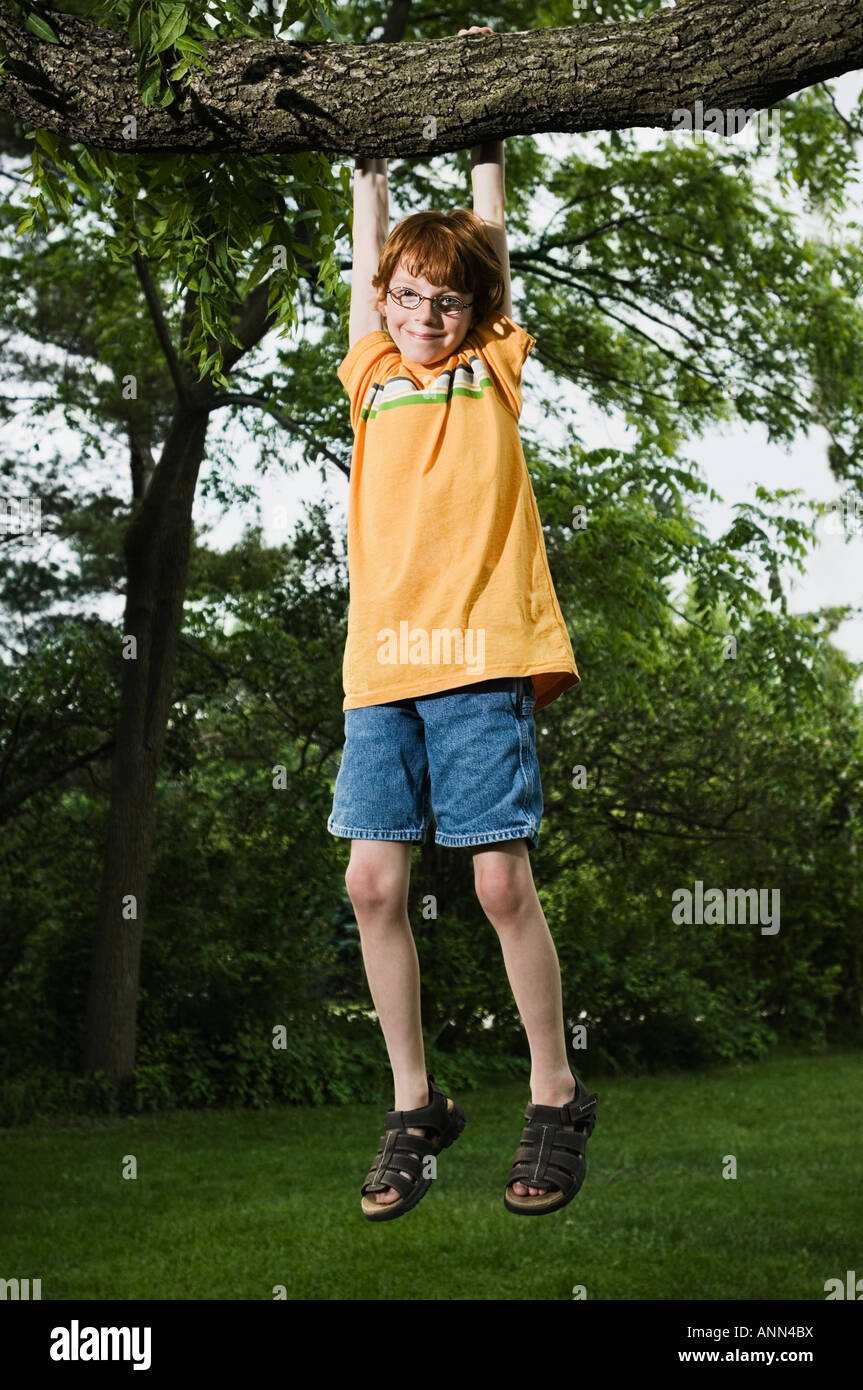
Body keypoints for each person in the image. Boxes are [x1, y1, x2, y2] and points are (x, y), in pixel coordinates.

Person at [328, 25, 597, 1221]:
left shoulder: (489, 364)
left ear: (473, 306)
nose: (420, 311)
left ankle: (552, 1092)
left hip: (479, 651)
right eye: (403, 295)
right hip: (382, 662)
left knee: (494, 884)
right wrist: (367, 143)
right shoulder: (371, 370)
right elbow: (366, 230)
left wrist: (485, 111)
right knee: (370, 884)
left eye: (442, 298)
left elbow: (488, 235)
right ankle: (415, 1106)